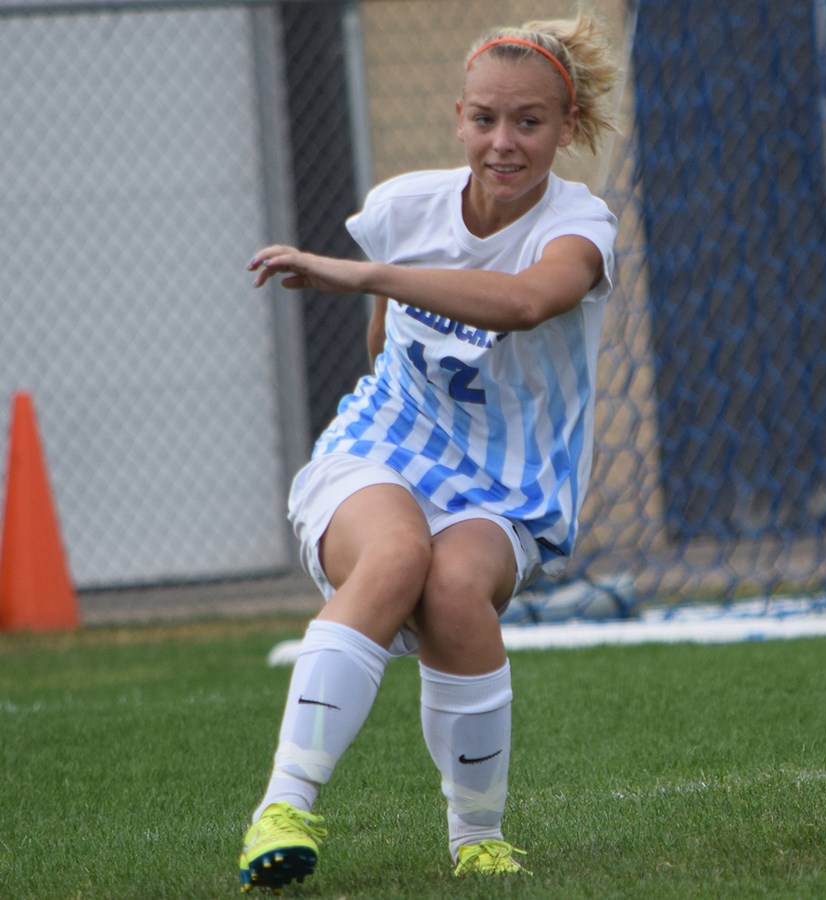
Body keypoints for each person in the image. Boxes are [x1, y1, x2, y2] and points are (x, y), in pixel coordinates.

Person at [236, 12, 621, 891]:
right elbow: (382, 352)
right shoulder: (404, 207)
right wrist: (379, 284)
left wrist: (360, 272)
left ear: (566, 129)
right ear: (458, 118)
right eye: (485, 119)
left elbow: (525, 303)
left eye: (529, 122)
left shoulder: (582, 227)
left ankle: (476, 837)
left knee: (453, 587)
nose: (504, 141)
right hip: (383, 450)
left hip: (510, 486)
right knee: (401, 553)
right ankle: (284, 806)